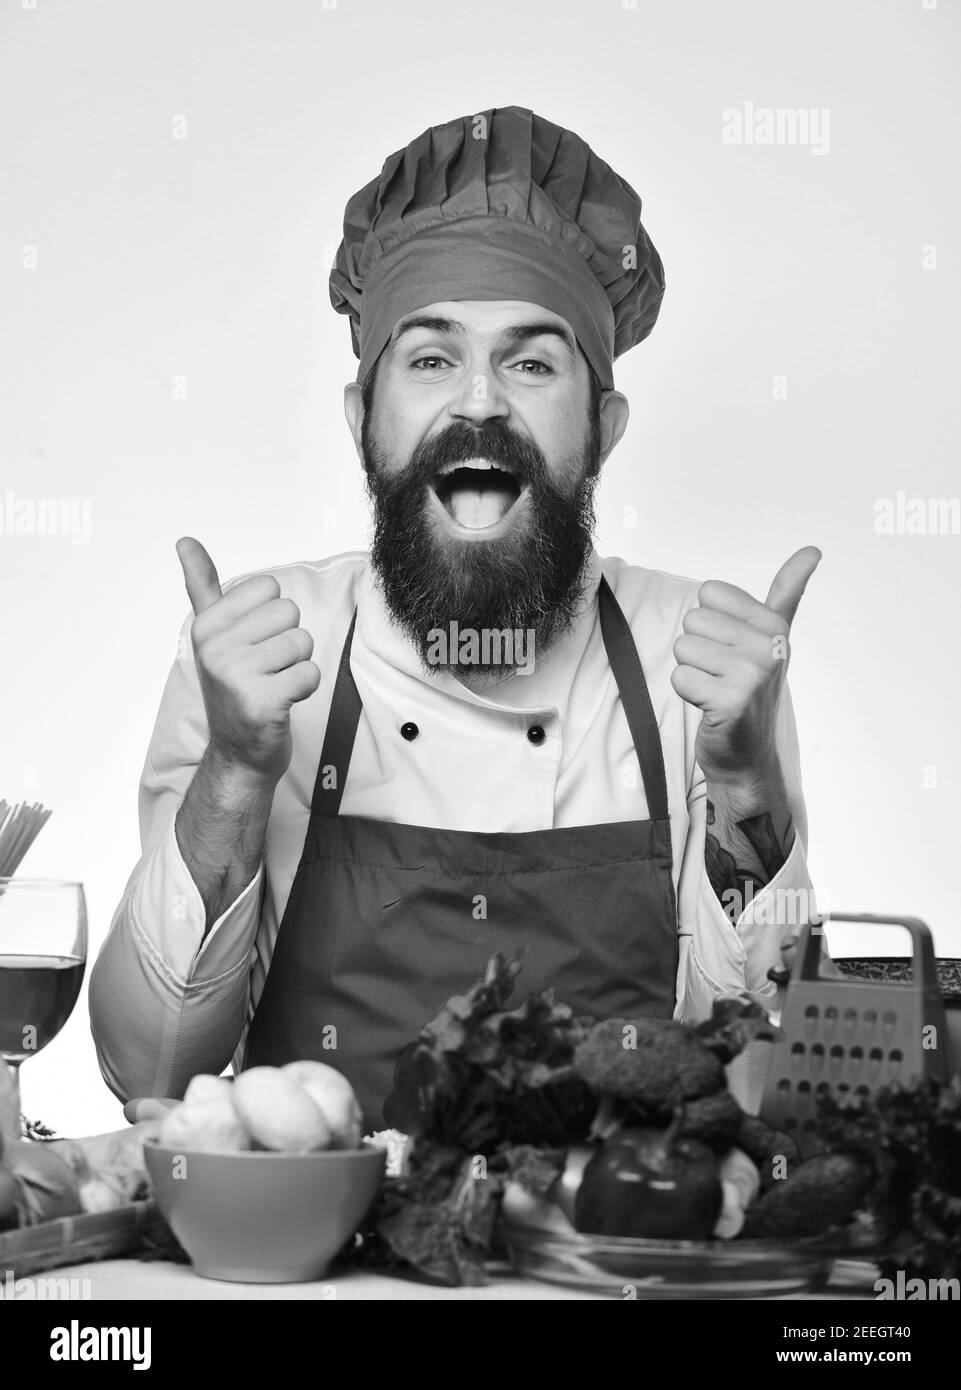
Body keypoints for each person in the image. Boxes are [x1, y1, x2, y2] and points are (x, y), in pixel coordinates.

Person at [89, 105, 821, 1130]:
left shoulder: (693, 656)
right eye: (431, 360)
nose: (479, 407)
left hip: (603, 1258)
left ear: (602, 427)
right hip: (309, 1266)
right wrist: (237, 773)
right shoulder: (266, 645)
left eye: (530, 363)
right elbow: (149, 1068)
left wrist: (747, 781)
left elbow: (760, 1076)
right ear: (361, 418)